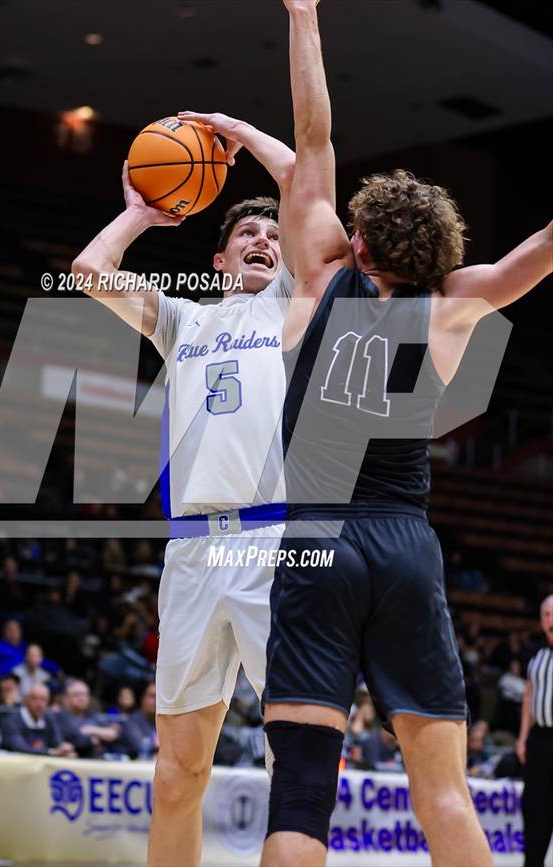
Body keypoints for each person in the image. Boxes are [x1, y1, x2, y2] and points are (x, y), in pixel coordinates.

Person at [260, 3, 553, 866]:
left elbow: (313, 140)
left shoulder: (318, 270)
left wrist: (303, 14)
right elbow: (538, 249)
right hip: (403, 540)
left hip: (316, 538)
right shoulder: (456, 304)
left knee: (304, 790)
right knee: (444, 793)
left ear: (357, 235)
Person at [72, 114, 295, 867]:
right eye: (248, 236)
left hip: (276, 545)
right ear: (218, 258)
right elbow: (89, 272)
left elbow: (304, 177)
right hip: (193, 552)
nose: (264, 240)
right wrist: (140, 211)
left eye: (273, 235)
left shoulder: (297, 306)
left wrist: (236, 132)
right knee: (177, 773)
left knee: (294, 766)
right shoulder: (185, 320)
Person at [516, 595, 553, 867]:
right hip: (539, 739)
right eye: (546, 614)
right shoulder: (535, 654)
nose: (551, 619)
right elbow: (529, 697)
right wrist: (522, 737)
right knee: (534, 807)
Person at [0, 683, 75, 757]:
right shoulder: (10, 720)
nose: (39, 704)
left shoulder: (49, 720)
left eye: (43, 699)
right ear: (26, 701)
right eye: (34, 698)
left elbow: (57, 744)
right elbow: (19, 748)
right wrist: (51, 752)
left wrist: (65, 750)